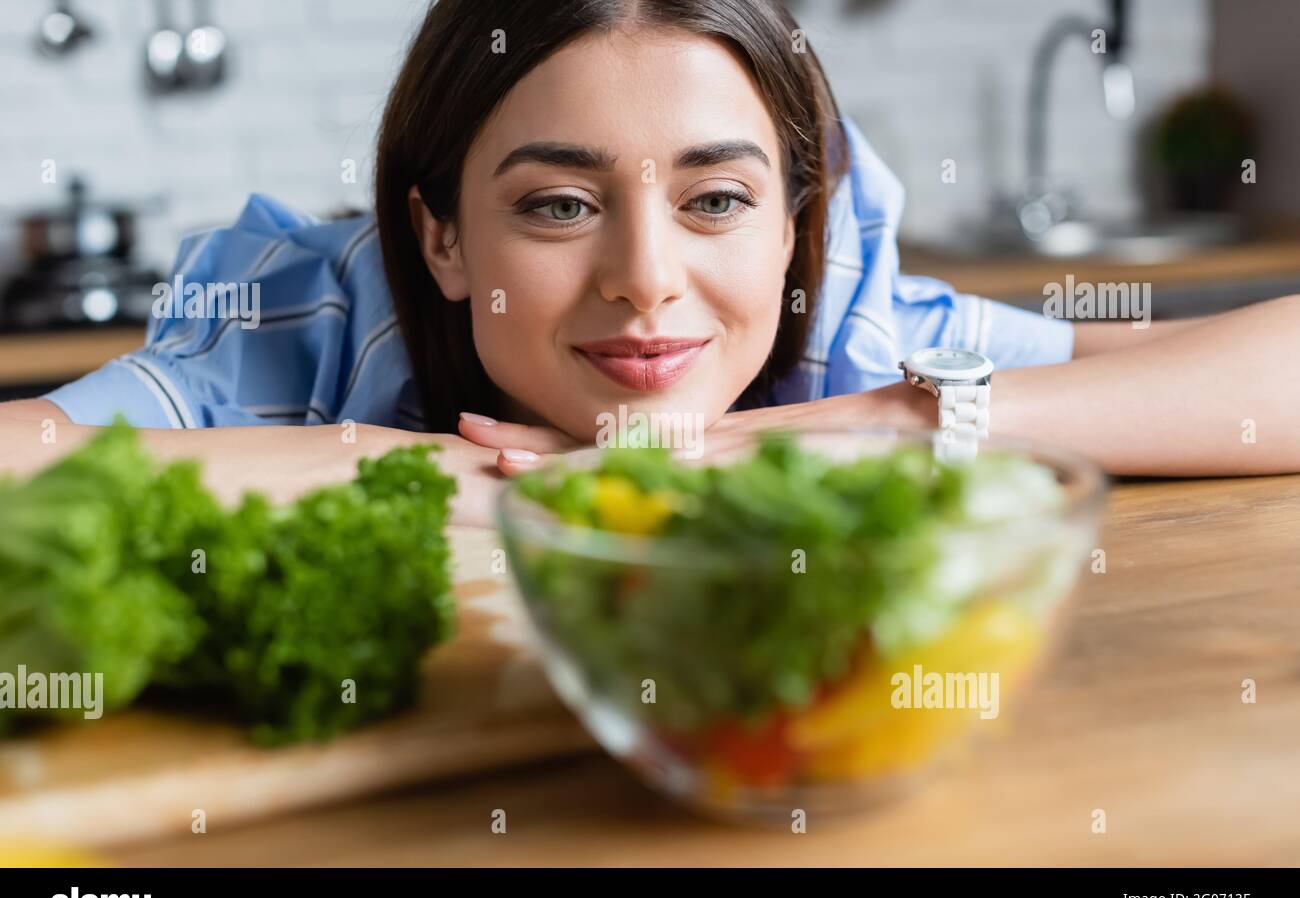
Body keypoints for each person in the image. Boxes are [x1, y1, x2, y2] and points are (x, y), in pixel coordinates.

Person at [2, 0, 1297, 526]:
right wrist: (448, 472)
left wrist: (897, 418)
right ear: (442, 237)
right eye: (560, 206)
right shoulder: (302, 320)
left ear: (797, 225)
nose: (648, 276)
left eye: (717, 197)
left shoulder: (845, 329)